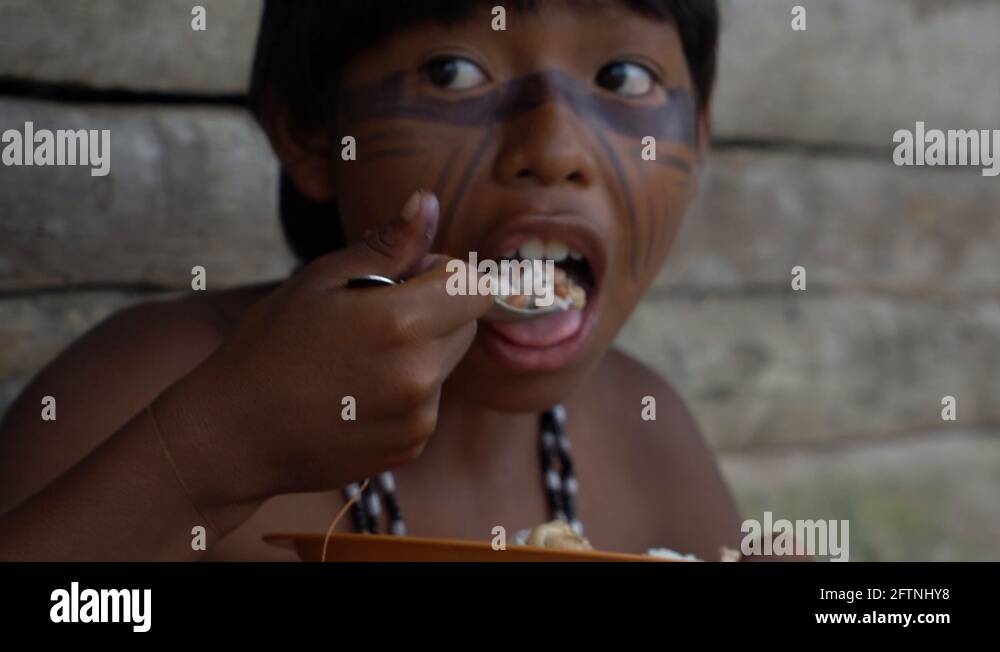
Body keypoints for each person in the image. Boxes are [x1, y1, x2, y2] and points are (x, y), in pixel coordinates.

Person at [0, 0, 741, 561]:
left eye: (624, 77)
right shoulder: (156, 388)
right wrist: (213, 453)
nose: (552, 147)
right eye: (452, 72)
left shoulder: (649, 437)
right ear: (310, 131)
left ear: (700, 136)